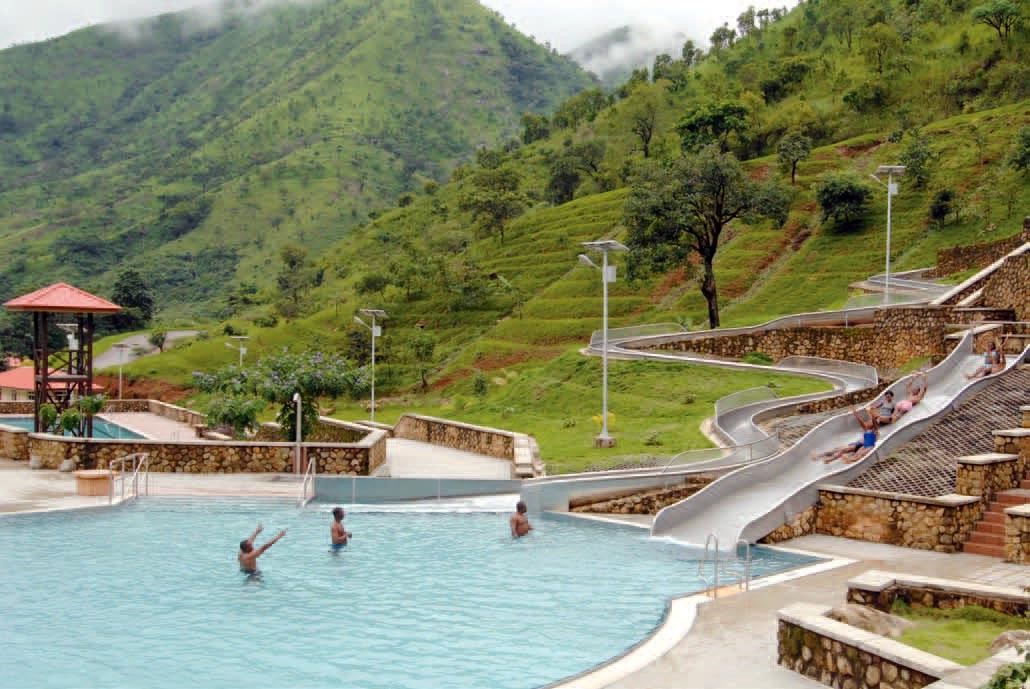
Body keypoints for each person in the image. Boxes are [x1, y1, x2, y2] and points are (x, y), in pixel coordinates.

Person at [812, 406, 879, 465]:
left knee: (856, 453)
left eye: (870, 423)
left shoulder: (875, 431)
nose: (868, 423)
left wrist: (872, 413)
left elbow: (874, 423)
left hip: (862, 446)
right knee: (836, 449)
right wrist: (854, 411)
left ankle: (834, 460)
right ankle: (819, 455)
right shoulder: (866, 429)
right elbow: (860, 420)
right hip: (858, 444)